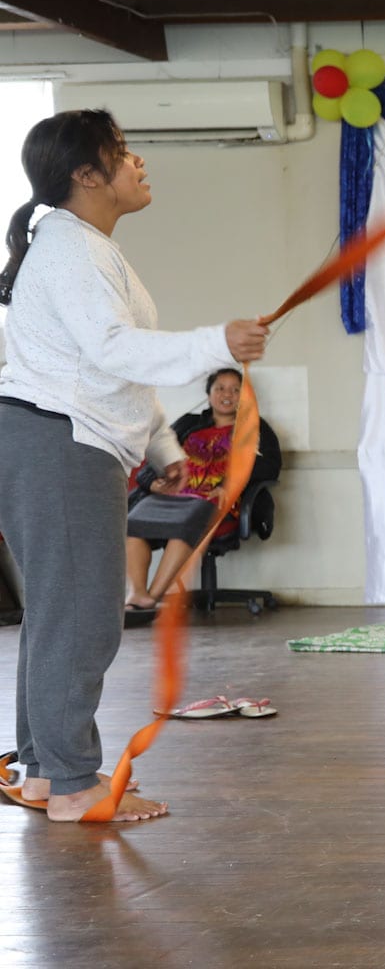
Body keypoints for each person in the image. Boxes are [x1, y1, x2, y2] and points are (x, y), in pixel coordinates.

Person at [0, 109, 270, 822]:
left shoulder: (83, 247)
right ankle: (72, 785)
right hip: (59, 445)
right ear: (86, 175)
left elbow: (112, 368)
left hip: (62, 442)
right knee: (84, 618)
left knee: (60, 615)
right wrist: (217, 341)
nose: (138, 162)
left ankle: (40, 773)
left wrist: (163, 450)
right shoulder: (69, 249)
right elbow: (114, 350)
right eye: (121, 153)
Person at [123, 366, 283, 625]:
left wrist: (231, 486)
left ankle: (151, 598)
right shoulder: (188, 423)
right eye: (220, 388)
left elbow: (270, 466)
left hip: (215, 500)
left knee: (185, 523)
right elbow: (156, 452)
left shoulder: (256, 428)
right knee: (132, 523)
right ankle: (137, 594)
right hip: (173, 494)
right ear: (209, 394)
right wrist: (152, 483)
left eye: (235, 389)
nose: (227, 394)